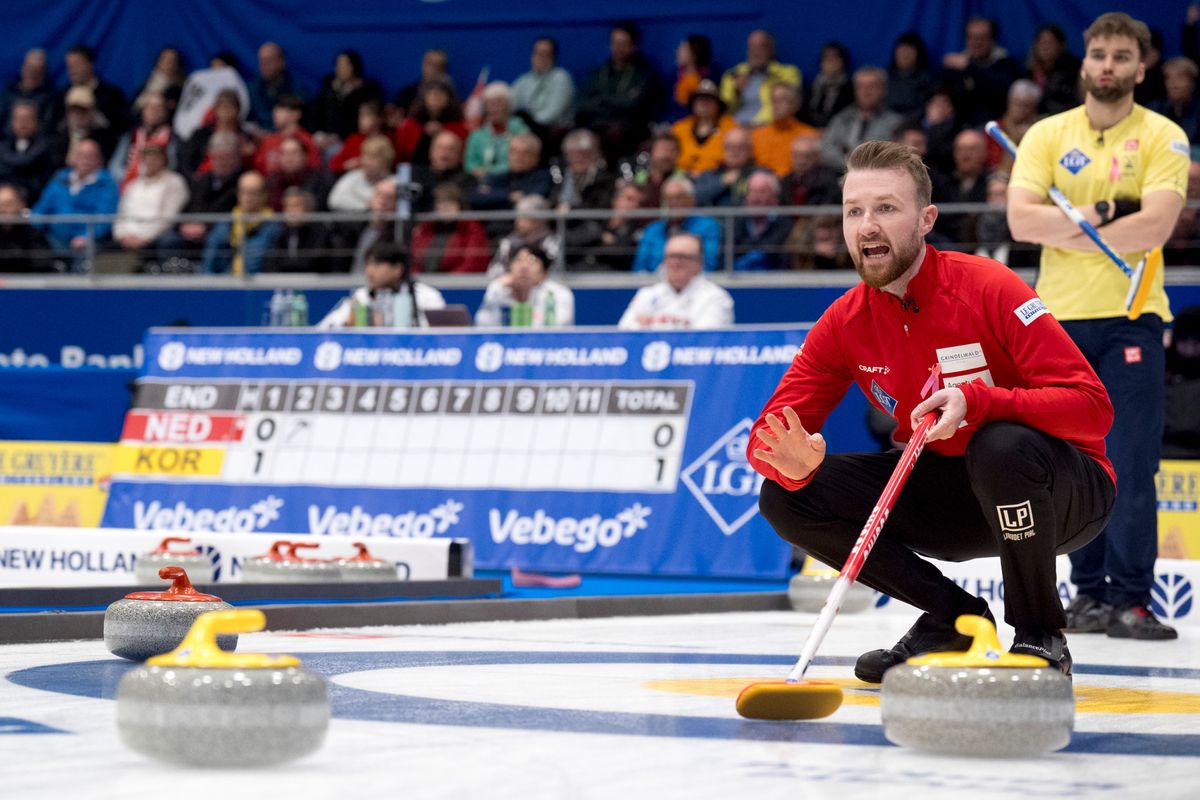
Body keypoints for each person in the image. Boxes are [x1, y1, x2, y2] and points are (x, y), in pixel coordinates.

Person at [751, 139, 1116, 682]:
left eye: (886, 208)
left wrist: (981, 401)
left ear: (926, 220)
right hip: (954, 492)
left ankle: (1039, 633)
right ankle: (953, 618)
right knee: (784, 496)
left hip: (1064, 492)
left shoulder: (989, 286)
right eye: (854, 211)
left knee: (1000, 444)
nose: (867, 226)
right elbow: (767, 436)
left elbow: (1093, 409)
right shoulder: (844, 321)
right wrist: (790, 463)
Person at [1007, 12, 1189, 641]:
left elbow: (1156, 225)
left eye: (1120, 56)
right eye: (1099, 55)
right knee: (1070, 464)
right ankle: (1085, 596)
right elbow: (1021, 222)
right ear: (1084, 63)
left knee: (1132, 463)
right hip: (1055, 324)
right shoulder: (1047, 134)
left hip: (1131, 320)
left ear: (1141, 68)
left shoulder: (1164, 135)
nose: (1107, 65)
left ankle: (1131, 600)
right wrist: (1106, 214)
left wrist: (1067, 227)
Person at [576, 21, 662, 164]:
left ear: (633, 46)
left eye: (623, 43)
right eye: (614, 43)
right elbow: (582, 103)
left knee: (615, 132)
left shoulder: (644, 73)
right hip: (597, 123)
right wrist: (615, 102)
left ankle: (613, 171)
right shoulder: (599, 72)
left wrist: (601, 100)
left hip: (631, 127)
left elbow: (632, 105)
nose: (617, 48)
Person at [32, 139, 118, 269]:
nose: (85, 160)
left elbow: (105, 217)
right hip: (55, 238)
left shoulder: (107, 184)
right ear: (74, 157)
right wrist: (32, 228)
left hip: (88, 240)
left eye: (90, 156)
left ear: (99, 160)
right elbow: (41, 209)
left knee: (84, 254)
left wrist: (86, 237)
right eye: (81, 155)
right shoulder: (59, 179)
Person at [619, 232, 732, 329]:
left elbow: (703, 340)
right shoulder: (647, 294)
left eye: (683, 257)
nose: (676, 263)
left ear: (699, 262)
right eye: (671, 256)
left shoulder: (716, 297)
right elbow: (624, 333)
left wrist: (652, 325)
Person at [319, 241, 446, 328]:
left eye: (377, 265)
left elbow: (442, 334)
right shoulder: (362, 296)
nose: (369, 272)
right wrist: (347, 324)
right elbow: (325, 327)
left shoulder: (426, 296)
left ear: (397, 269)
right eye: (368, 265)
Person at [112, 143, 190, 264]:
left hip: (156, 236)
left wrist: (144, 238)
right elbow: (121, 214)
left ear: (164, 159)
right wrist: (122, 236)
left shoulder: (174, 182)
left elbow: (168, 218)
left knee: (170, 240)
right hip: (128, 237)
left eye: (155, 157)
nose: (151, 161)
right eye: (147, 158)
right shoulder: (133, 185)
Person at [941, 16, 1022, 126]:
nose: (976, 43)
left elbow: (1000, 91)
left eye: (981, 38)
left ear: (993, 40)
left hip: (996, 126)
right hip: (959, 127)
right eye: (971, 37)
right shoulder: (955, 66)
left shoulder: (1006, 64)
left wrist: (969, 67)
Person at [820, 67, 904, 169]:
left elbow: (892, 155)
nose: (865, 92)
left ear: (883, 90)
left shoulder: (896, 122)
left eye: (872, 86)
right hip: (841, 173)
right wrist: (852, 164)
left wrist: (849, 154)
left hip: (878, 175)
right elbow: (826, 151)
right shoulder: (841, 118)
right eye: (860, 87)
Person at [631, 176, 720, 272]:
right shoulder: (653, 229)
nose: (672, 203)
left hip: (692, 280)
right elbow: (639, 267)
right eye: (668, 199)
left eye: (678, 198)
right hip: (654, 280)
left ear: (691, 200)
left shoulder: (708, 226)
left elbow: (708, 265)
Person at [200, 170, 280, 275]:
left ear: (264, 195)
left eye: (253, 193)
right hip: (225, 281)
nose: (248, 197)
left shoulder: (273, 228)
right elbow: (209, 263)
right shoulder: (225, 225)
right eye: (244, 192)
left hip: (259, 282)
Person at [475, 243, 574, 328]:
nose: (524, 266)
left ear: (545, 272)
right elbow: (482, 325)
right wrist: (496, 286)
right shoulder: (501, 291)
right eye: (518, 260)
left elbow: (558, 326)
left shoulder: (558, 294)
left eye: (532, 261)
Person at [719, 30, 801, 127]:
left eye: (761, 47)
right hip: (734, 127)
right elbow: (723, 108)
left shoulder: (788, 73)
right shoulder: (733, 74)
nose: (755, 52)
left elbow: (789, 104)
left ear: (772, 50)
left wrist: (770, 73)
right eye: (751, 47)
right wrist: (737, 91)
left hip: (767, 126)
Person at [410, 182, 489, 274]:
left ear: (459, 205)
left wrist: (449, 279)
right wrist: (416, 276)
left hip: (457, 280)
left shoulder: (471, 228)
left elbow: (473, 263)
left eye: (450, 203)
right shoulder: (426, 227)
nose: (445, 207)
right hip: (424, 279)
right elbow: (413, 259)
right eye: (441, 203)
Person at [109, 92, 177, 189]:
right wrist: (133, 178)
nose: (153, 111)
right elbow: (114, 166)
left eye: (158, 108)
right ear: (143, 110)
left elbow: (172, 167)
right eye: (149, 107)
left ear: (165, 112)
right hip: (129, 187)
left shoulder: (172, 138)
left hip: (158, 187)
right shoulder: (130, 136)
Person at [393, 78, 468, 166]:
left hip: (451, 172)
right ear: (423, 98)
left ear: (449, 99)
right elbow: (401, 155)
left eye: (441, 94)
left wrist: (442, 131)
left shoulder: (459, 127)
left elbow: (462, 154)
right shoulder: (410, 125)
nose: (436, 97)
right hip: (414, 169)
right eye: (432, 94)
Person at [263, 187, 338, 273]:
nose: (291, 211)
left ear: (308, 208)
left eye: (296, 205)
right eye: (288, 206)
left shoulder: (321, 234)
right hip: (284, 280)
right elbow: (269, 263)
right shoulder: (281, 234)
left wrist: (285, 267)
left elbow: (312, 263)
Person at [751, 83, 818, 177]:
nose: (776, 105)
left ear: (795, 104)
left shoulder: (810, 135)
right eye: (774, 100)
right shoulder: (757, 134)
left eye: (782, 100)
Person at [464, 82, 530, 177]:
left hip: (514, 178)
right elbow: (469, 164)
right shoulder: (477, 135)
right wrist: (480, 172)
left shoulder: (520, 130)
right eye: (489, 103)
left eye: (498, 103)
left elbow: (522, 161)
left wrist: (489, 172)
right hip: (481, 181)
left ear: (508, 106)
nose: (493, 108)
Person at [672, 79, 736, 176]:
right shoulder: (679, 128)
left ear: (718, 105)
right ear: (693, 103)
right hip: (681, 176)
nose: (703, 103)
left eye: (709, 99)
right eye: (699, 99)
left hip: (717, 176)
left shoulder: (730, 127)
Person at [486, 194, 562, 275]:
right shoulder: (509, 242)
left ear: (537, 221)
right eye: (518, 218)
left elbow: (554, 269)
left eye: (524, 218)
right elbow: (493, 271)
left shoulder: (551, 240)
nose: (518, 222)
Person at [511, 37, 575, 131]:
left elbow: (552, 113)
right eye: (536, 53)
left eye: (544, 54)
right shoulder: (524, 80)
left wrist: (528, 124)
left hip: (552, 131)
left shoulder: (561, 78)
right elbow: (510, 103)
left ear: (553, 57)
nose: (539, 58)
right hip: (527, 128)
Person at [733, 170, 793, 270]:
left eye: (762, 192)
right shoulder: (735, 223)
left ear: (774, 198)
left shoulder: (786, 226)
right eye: (751, 191)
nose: (755, 198)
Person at [0, 100, 55, 200]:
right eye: (19, 119)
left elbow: (44, 178)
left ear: (36, 122)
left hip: (34, 198)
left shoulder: (45, 146)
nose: (22, 124)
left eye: (26, 119)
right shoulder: (4, 145)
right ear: (12, 122)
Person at [1025, 24, 1082, 115]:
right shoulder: (1029, 71)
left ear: (1061, 45)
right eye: (1042, 42)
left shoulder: (1074, 70)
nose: (1045, 47)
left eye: (1049, 42)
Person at [327, 135, 394, 212]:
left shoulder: (394, 182)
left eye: (373, 158)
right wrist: (367, 207)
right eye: (365, 157)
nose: (367, 162)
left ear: (385, 162)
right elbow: (335, 201)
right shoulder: (352, 177)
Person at [248, 42, 301, 132]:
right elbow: (248, 121)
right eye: (261, 61)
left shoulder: (297, 90)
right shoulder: (252, 89)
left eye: (268, 61)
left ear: (281, 62)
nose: (264, 66)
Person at [0, 183, 52, 272]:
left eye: (8, 204)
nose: (3, 209)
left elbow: (42, 264)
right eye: (0, 204)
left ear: (21, 205)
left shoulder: (33, 235)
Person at [802, 42, 853, 128]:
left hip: (836, 130)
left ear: (843, 62)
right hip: (809, 130)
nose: (830, 62)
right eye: (826, 58)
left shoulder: (849, 88)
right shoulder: (812, 86)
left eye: (835, 58)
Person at [330, 100, 388, 174]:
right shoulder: (354, 139)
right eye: (360, 117)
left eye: (365, 117)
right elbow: (334, 163)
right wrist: (346, 165)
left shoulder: (386, 140)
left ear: (378, 119)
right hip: (355, 176)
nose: (360, 121)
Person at [887, 32, 935, 118]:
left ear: (918, 54)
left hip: (913, 121)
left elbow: (925, 107)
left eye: (909, 52)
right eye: (901, 52)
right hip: (884, 121)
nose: (904, 56)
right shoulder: (885, 77)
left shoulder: (926, 80)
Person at [673, 34, 714, 116]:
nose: (678, 52)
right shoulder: (672, 77)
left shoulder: (709, 78)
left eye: (683, 49)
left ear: (694, 53)